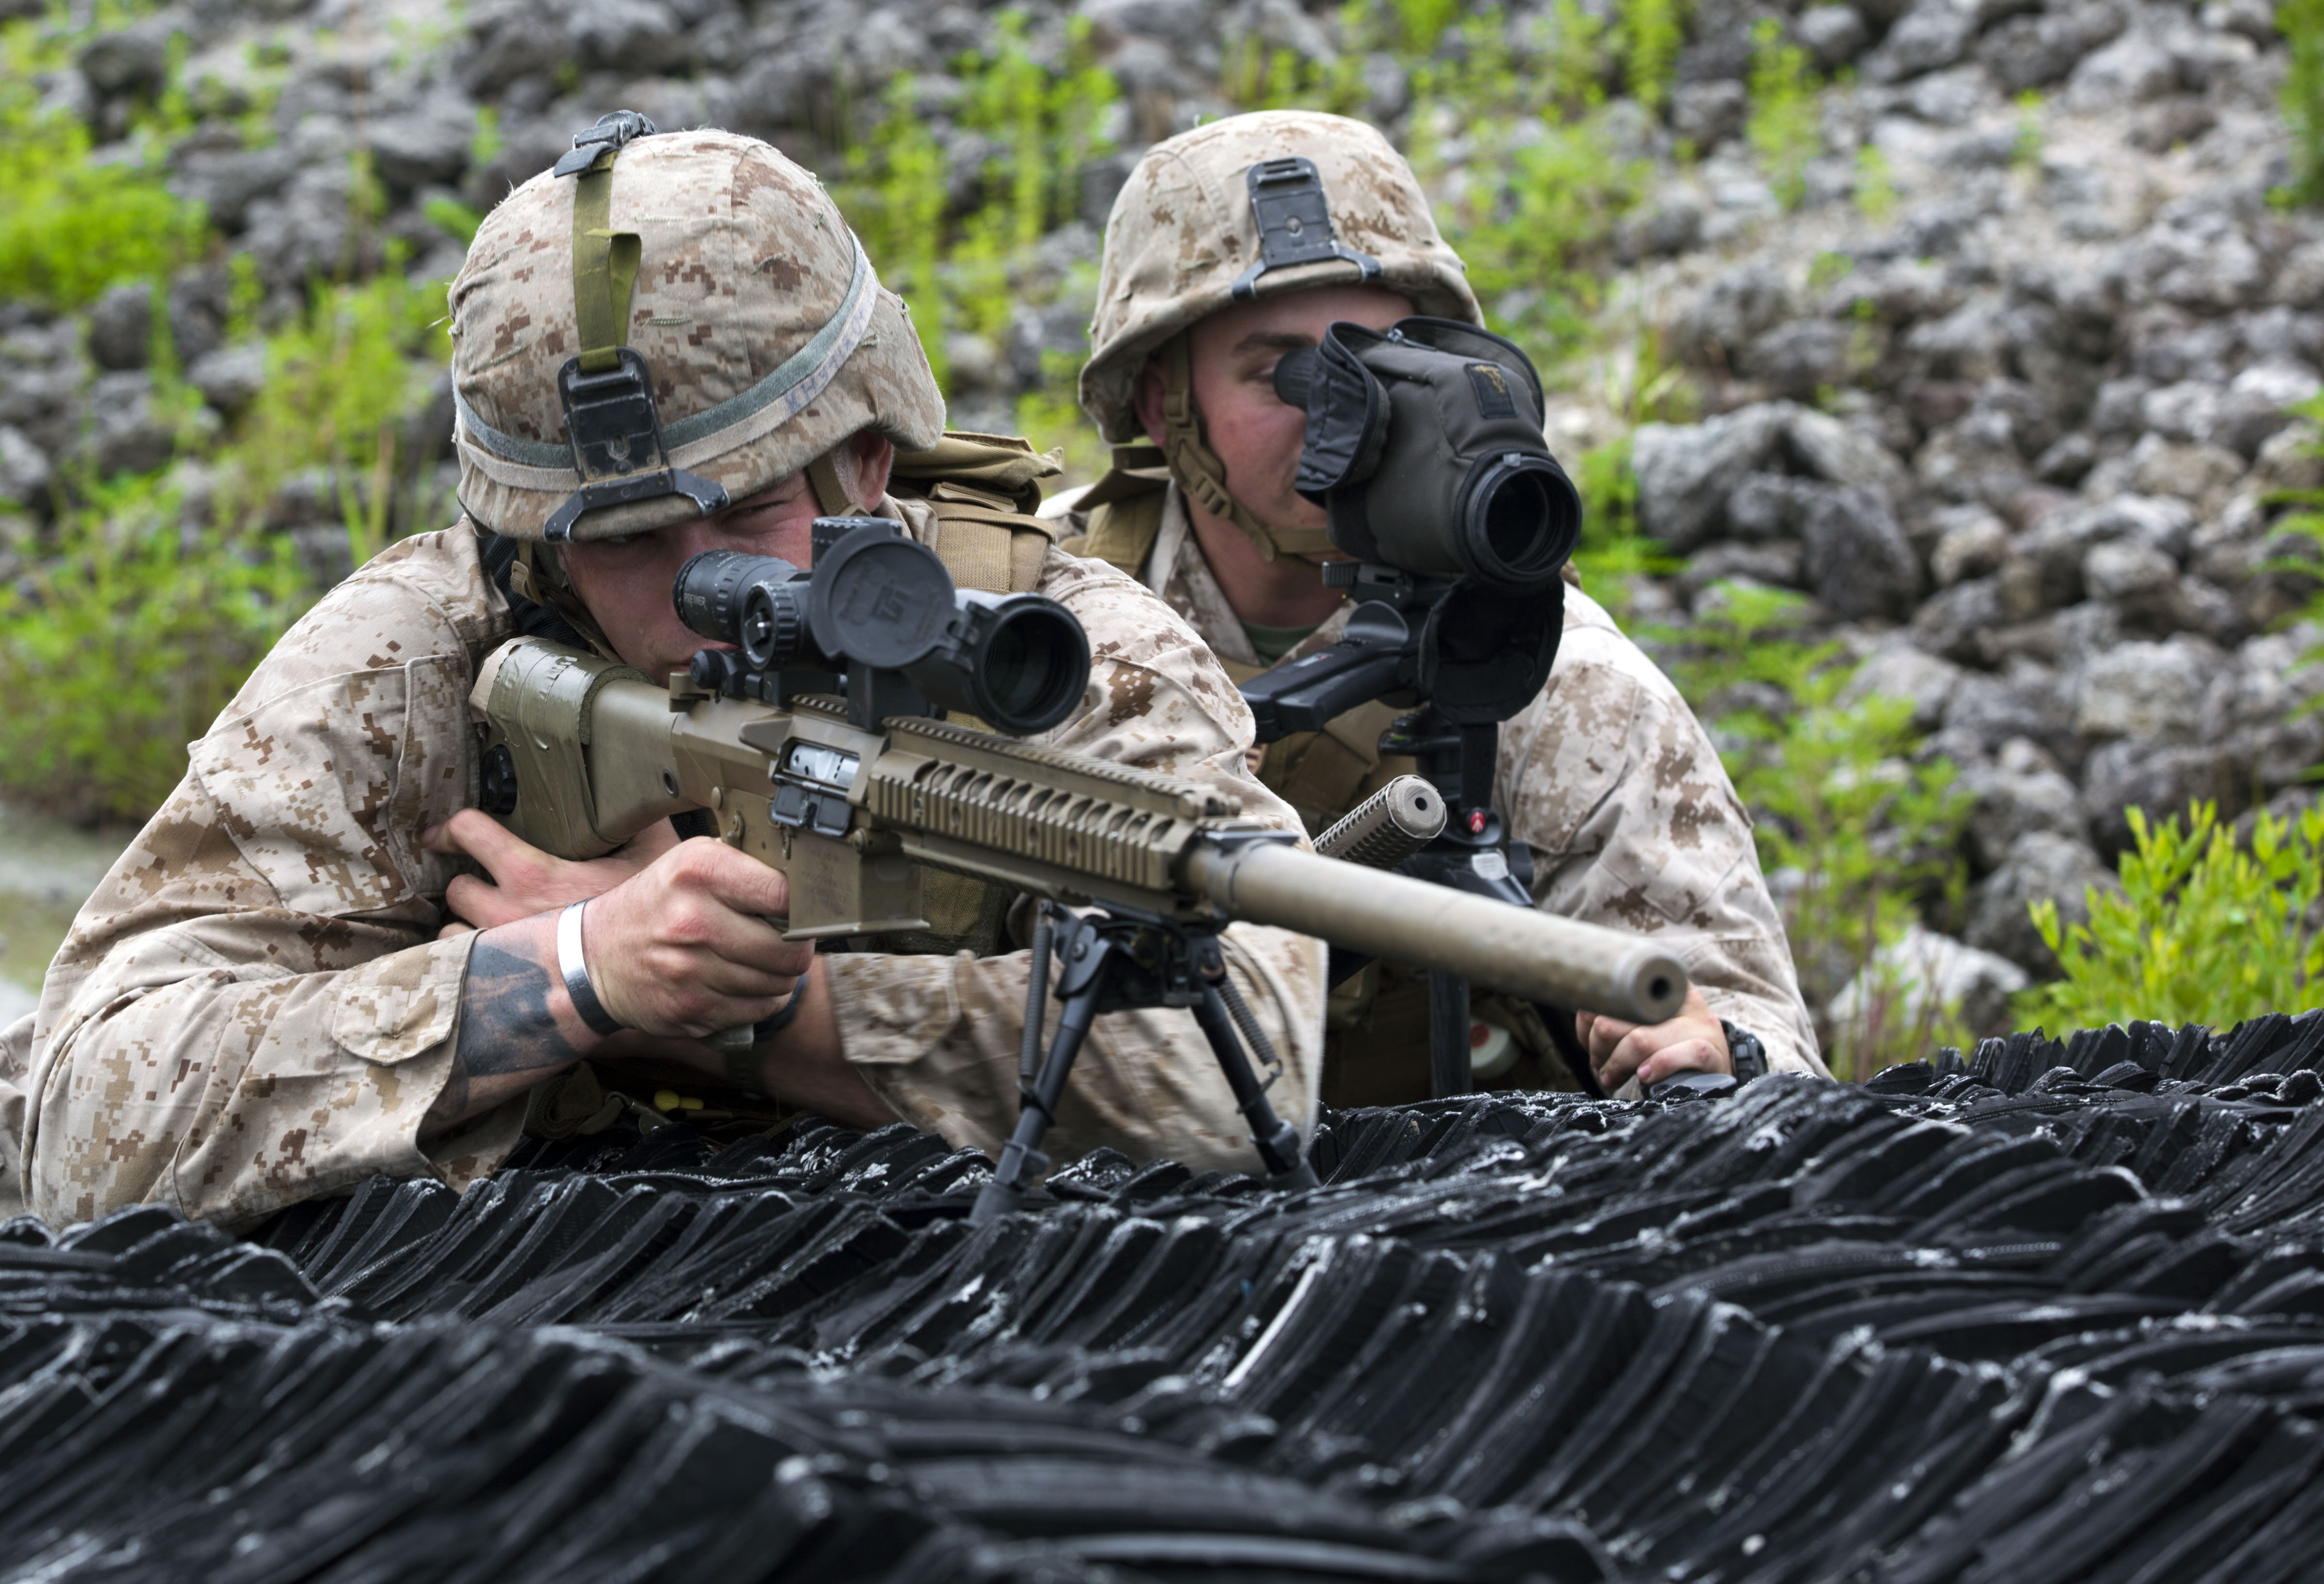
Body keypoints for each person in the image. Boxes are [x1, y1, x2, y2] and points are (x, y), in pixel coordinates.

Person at [0, 121, 1325, 1229]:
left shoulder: (1049, 648)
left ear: (866, 458)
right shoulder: (417, 655)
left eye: (747, 513)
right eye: (625, 543)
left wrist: (770, 1017)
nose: (699, 586)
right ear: (530, 539)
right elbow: (87, 1126)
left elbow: (1239, 1070)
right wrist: (567, 974)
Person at [1059, 110, 1824, 1104]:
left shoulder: (1539, 672)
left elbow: (1747, 1027)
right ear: (1163, 401)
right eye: (1282, 370)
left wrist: (1714, 1051)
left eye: (1380, 365)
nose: (1345, 414)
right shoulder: (1042, 610)